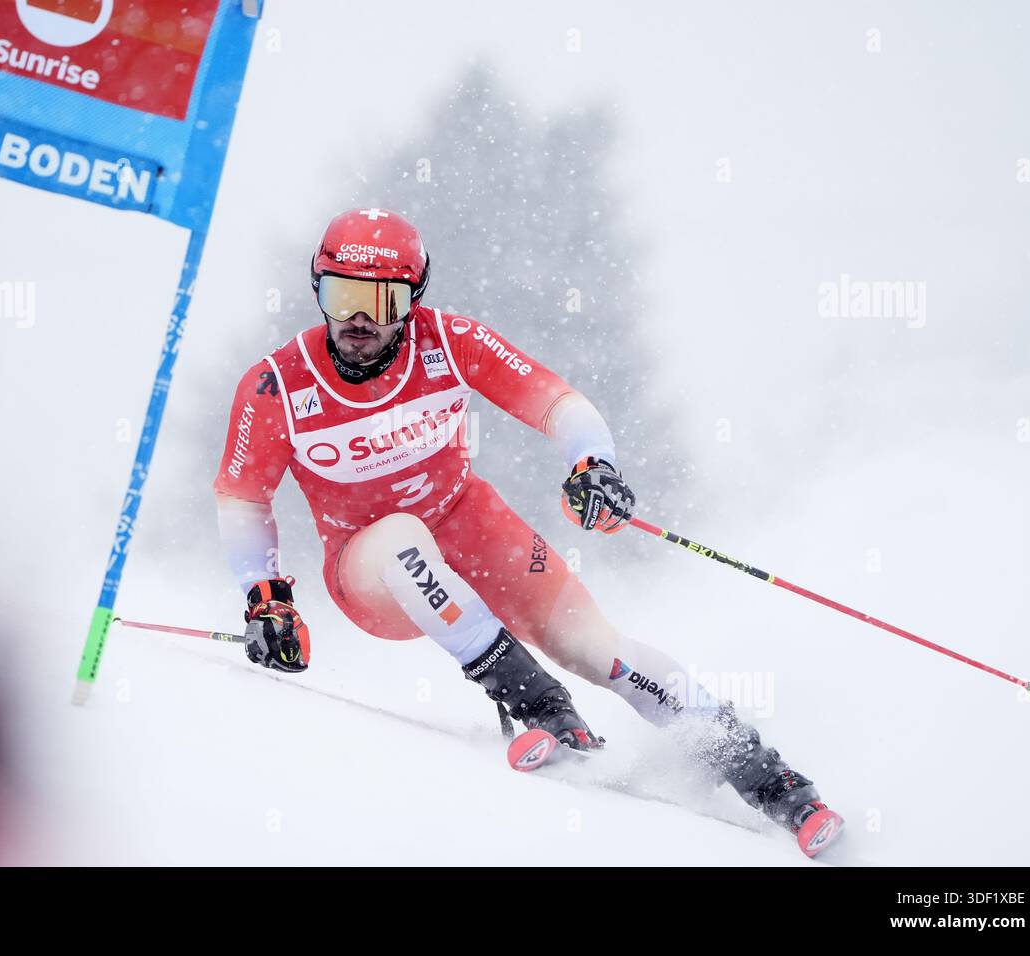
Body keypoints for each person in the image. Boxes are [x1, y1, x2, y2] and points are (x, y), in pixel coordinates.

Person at [213, 208, 842, 856]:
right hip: (368, 568)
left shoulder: (449, 341)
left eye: (383, 299)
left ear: (413, 300)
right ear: (316, 289)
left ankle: (772, 782)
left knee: (597, 647)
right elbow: (242, 496)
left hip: (469, 524)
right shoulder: (275, 386)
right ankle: (543, 708)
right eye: (341, 295)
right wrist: (266, 598)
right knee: (402, 538)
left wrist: (592, 462)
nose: (359, 320)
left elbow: (555, 400)